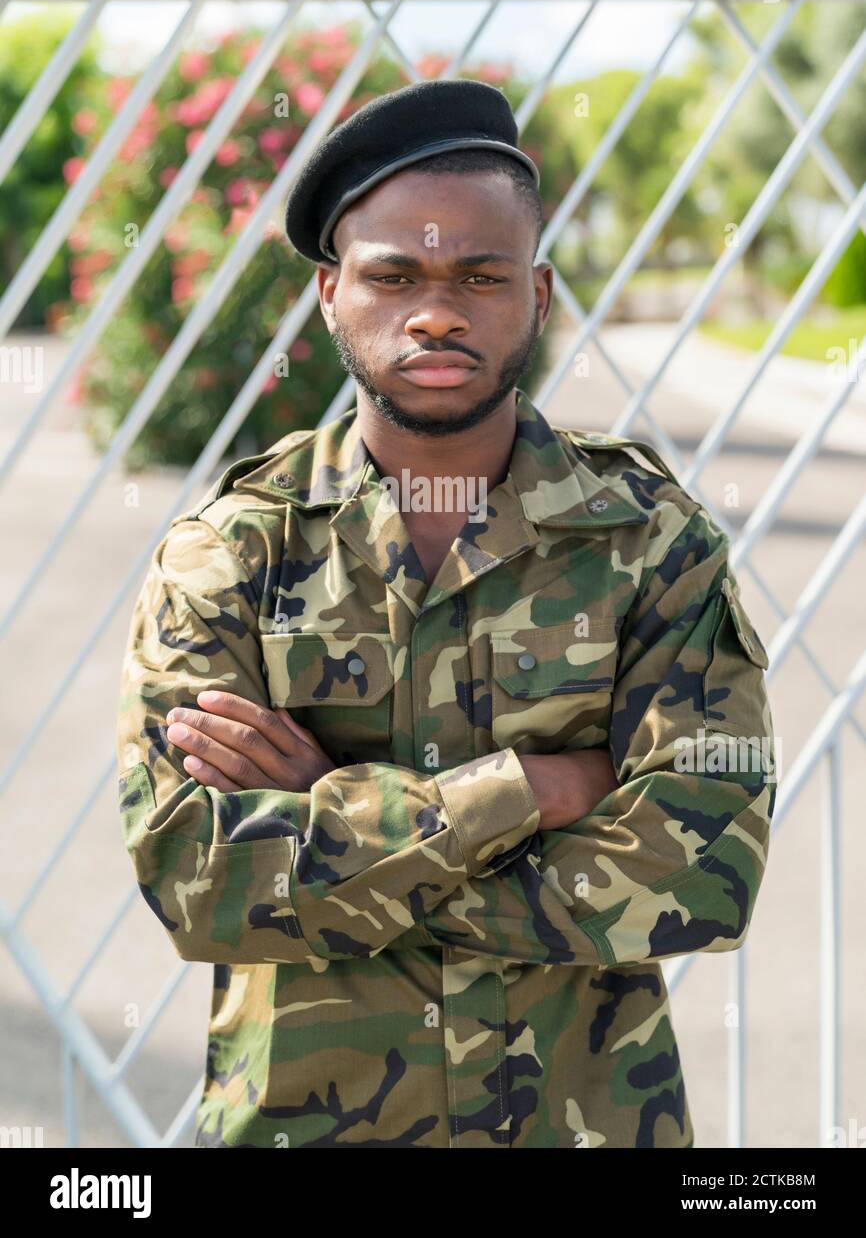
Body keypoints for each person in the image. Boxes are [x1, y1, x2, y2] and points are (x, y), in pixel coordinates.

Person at [117, 78, 776, 1149]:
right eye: (394, 277)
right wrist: (536, 787)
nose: (435, 311)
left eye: (479, 274)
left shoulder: (649, 540)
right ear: (330, 293)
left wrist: (331, 816)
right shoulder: (232, 552)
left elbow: (705, 870)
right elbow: (200, 880)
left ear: (539, 294)